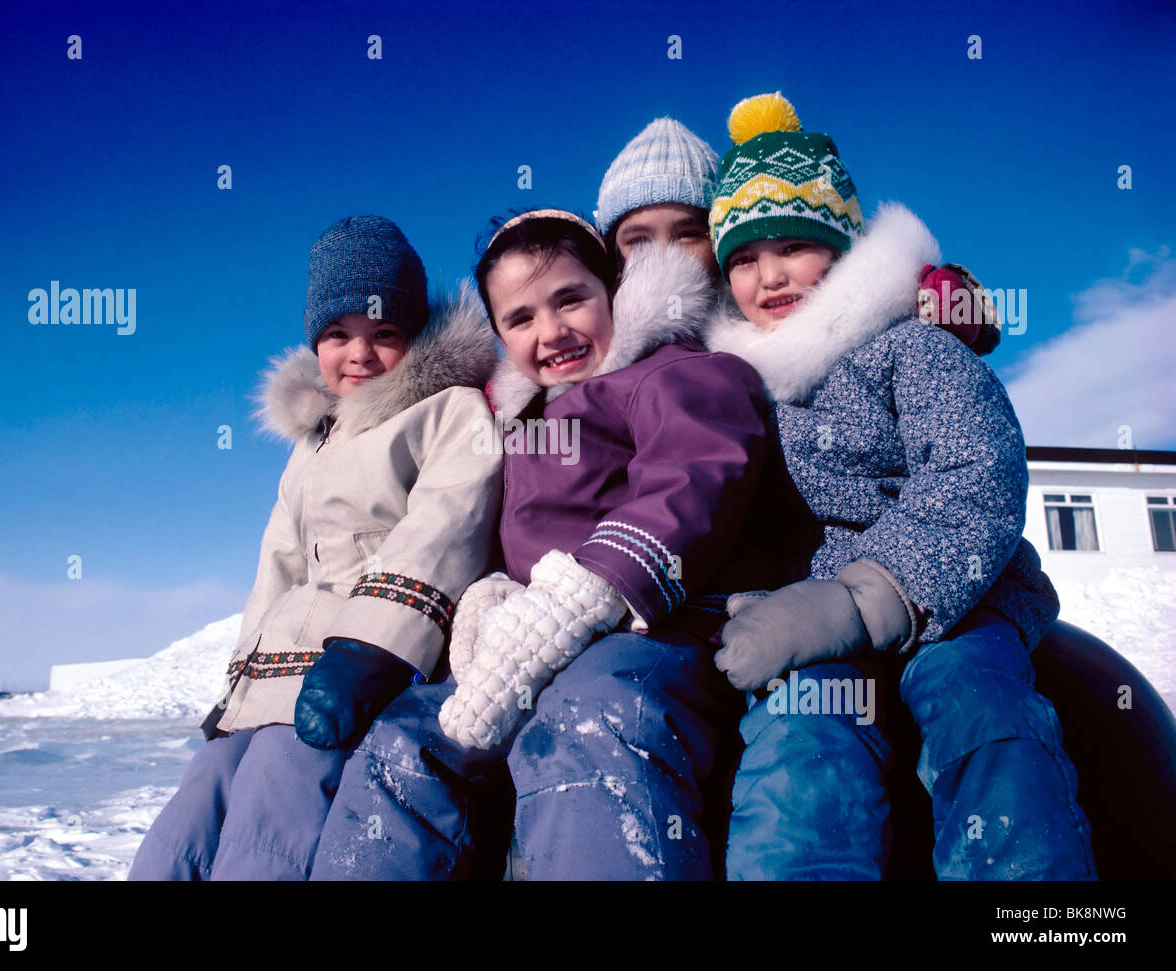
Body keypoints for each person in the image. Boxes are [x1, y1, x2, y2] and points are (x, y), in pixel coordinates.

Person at [704, 93, 1096, 879]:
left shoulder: (911, 344)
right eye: (743, 258)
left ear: (843, 250)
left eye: (793, 245)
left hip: (956, 599)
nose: (769, 274)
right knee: (801, 734)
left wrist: (862, 597)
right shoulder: (748, 387)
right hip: (815, 623)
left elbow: (974, 474)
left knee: (983, 712)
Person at [309, 209, 768, 880]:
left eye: (571, 299)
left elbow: (697, 473)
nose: (551, 331)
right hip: (529, 649)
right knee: (408, 736)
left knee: (591, 718)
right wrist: (491, 595)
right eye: (520, 319)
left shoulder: (669, 371)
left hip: (657, 631)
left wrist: (590, 589)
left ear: (611, 288)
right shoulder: (521, 419)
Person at [128, 214, 501, 880]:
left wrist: (370, 647)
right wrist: (236, 686)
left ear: (414, 336)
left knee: (280, 786)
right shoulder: (311, 443)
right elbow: (278, 568)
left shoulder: (447, 411)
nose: (360, 353)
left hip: (370, 667)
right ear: (315, 341)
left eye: (384, 333)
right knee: (204, 789)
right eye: (339, 334)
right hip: (279, 674)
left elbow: (446, 522)